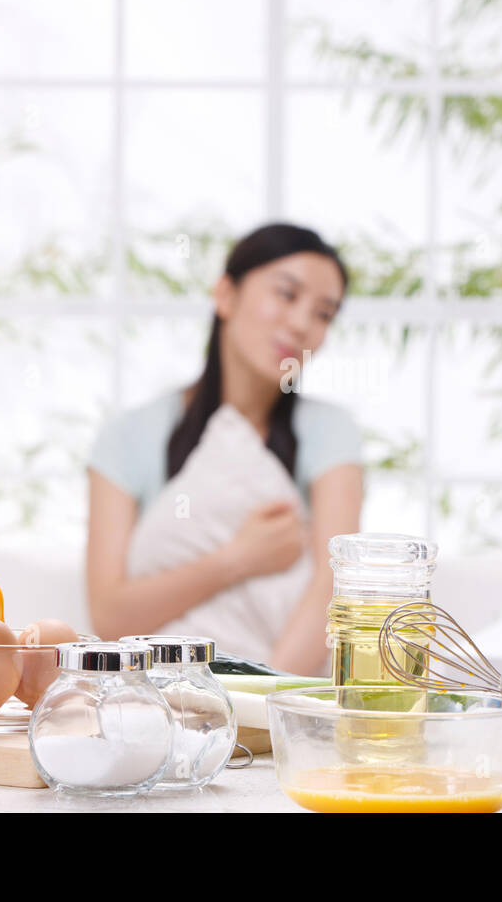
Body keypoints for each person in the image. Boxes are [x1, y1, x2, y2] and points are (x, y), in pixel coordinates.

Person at [85, 223, 363, 676]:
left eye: (324, 313)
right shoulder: (129, 438)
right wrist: (237, 559)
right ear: (226, 295)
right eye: (287, 294)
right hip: (155, 697)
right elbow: (111, 618)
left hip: (276, 709)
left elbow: (334, 589)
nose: (302, 324)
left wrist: (261, 706)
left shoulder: (331, 433)